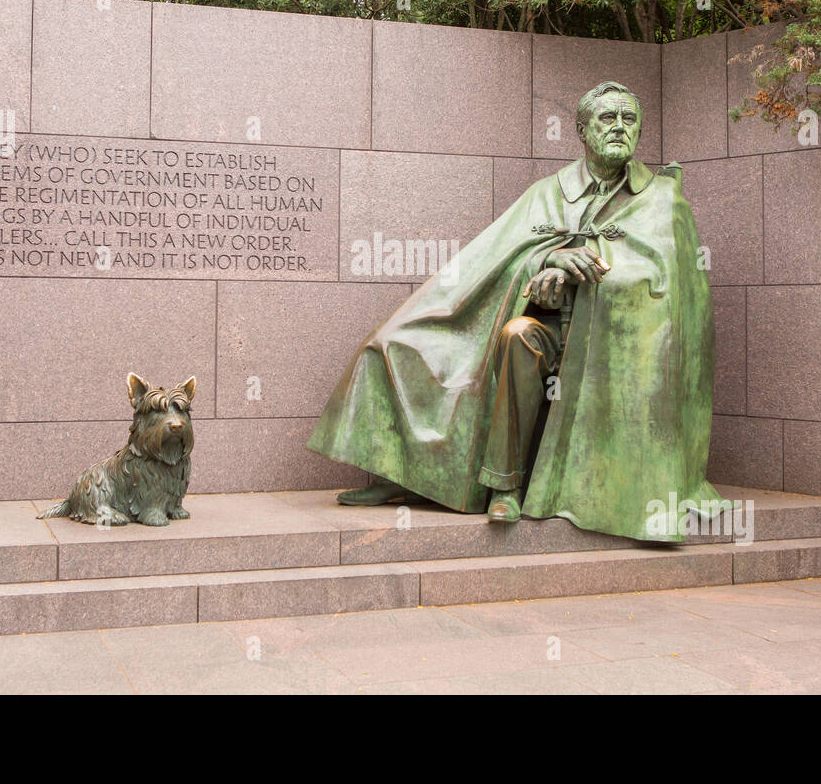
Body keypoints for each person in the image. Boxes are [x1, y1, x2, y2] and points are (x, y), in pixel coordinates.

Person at [306, 82, 727, 541]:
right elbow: (496, 259)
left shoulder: (663, 198)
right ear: (583, 131)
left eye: (629, 120)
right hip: (545, 328)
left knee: (519, 335)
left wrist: (584, 269)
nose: (620, 129)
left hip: (611, 347)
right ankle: (461, 482)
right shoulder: (548, 193)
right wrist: (544, 261)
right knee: (423, 342)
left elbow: (669, 289)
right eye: (608, 119)